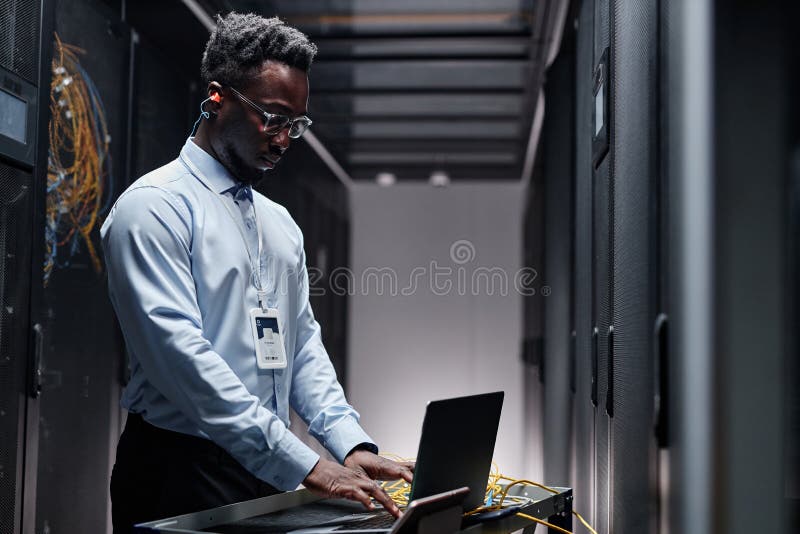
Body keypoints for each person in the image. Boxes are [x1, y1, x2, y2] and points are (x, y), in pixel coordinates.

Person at [101, 13, 412, 533]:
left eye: (296, 123)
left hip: (267, 467)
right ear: (217, 99)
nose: (285, 138)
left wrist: (348, 443)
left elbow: (302, 345)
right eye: (272, 117)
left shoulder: (279, 223)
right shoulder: (153, 209)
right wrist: (307, 464)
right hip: (178, 469)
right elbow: (185, 365)